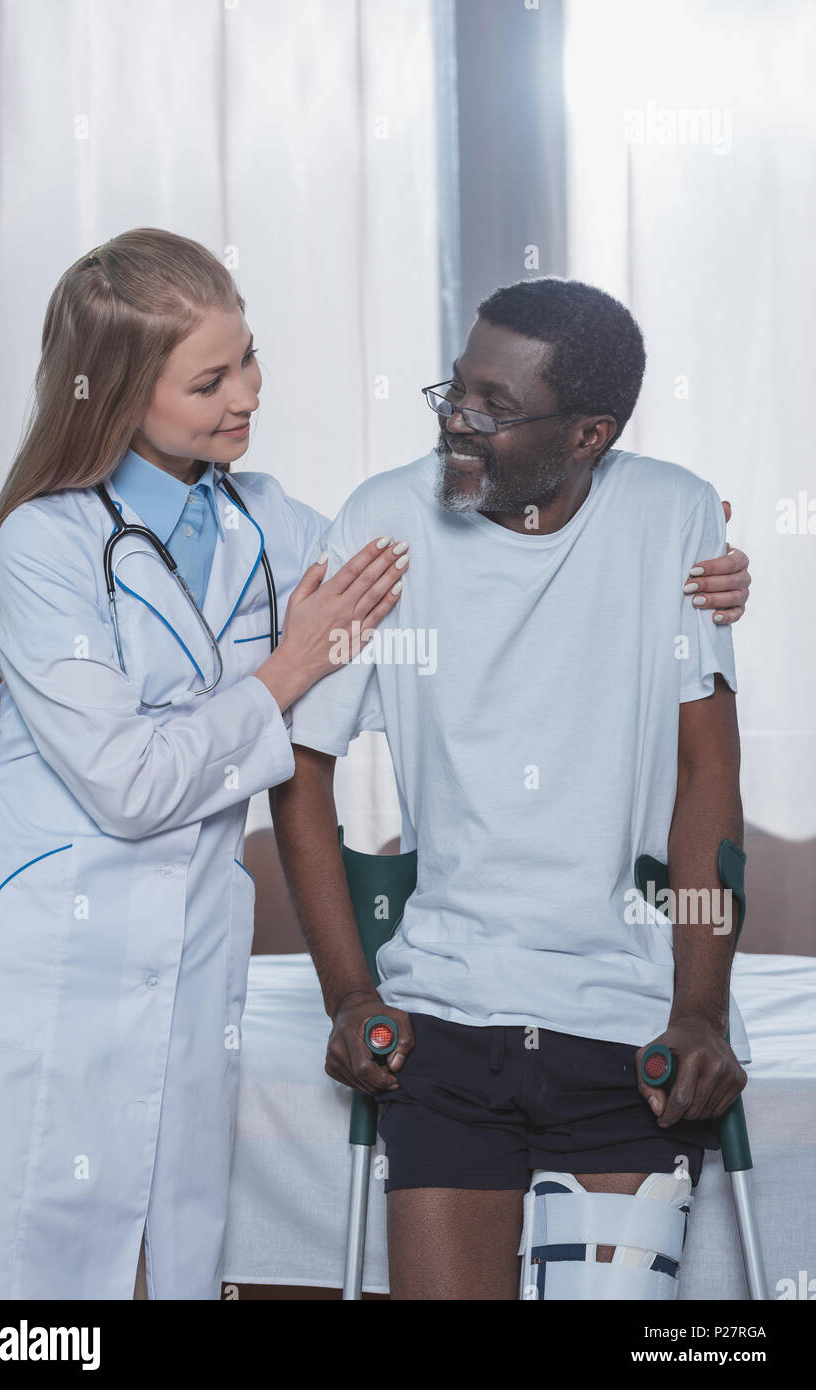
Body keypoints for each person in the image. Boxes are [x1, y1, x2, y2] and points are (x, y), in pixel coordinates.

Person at [271, 277, 753, 1300]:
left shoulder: (672, 515)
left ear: (590, 436)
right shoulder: (385, 519)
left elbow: (710, 769)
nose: (457, 422)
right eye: (452, 391)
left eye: (491, 407)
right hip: (446, 1016)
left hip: (627, 1027)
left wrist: (700, 1009)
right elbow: (300, 766)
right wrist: (352, 993)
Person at [0, 227, 409, 1300]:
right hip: (47, 957)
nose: (247, 392)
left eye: (248, 357)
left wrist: (650, 551)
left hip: (196, 946)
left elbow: (423, 584)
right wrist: (287, 669)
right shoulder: (43, 546)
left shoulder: (269, 521)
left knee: (181, 1252)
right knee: (30, 1277)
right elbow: (130, 783)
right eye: (210, 379)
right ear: (117, 394)